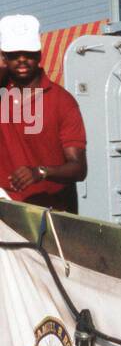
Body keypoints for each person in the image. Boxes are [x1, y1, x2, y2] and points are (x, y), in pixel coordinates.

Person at [0, 13, 88, 213]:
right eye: (14, 54)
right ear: (4, 56)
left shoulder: (62, 102)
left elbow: (79, 168)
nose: (22, 60)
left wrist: (41, 172)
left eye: (28, 53)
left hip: (50, 215)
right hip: (5, 211)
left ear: (39, 54)